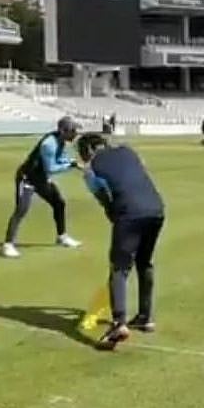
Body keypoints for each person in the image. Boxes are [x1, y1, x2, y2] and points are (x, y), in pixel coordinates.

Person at [77, 133, 165, 350]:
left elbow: (104, 199)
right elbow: (140, 171)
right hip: (156, 208)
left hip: (129, 213)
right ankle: (146, 316)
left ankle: (119, 323)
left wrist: (115, 217)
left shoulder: (90, 169)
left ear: (88, 150)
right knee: (145, 262)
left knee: (119, 268)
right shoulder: (128, 150)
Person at [1, 117, 82, 258]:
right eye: (73, 131)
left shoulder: (61, 141)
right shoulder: (49, 144)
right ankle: (7, 245)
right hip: (27, 178)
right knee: (21, 210)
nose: (76, 134)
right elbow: (51, 168)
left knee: (59, 203)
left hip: (41, 179)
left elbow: (61, 158)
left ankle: (61, 237)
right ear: (63, 131)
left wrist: (72, 162)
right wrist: (70, 165)